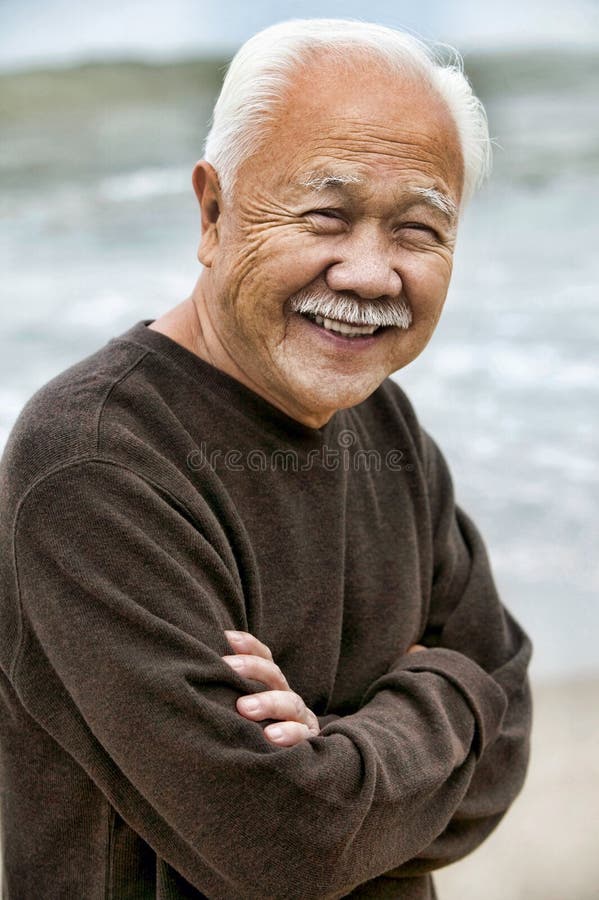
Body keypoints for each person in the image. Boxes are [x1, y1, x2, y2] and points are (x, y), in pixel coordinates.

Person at [0, 18, 532, 900]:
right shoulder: (94, 465)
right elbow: (287, 847)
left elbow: (505, 756)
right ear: (213, 211)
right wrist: (451, 693)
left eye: (417, 230)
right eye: (325, 214)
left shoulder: (383, 423)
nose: (370, 274)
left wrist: (359, 747)